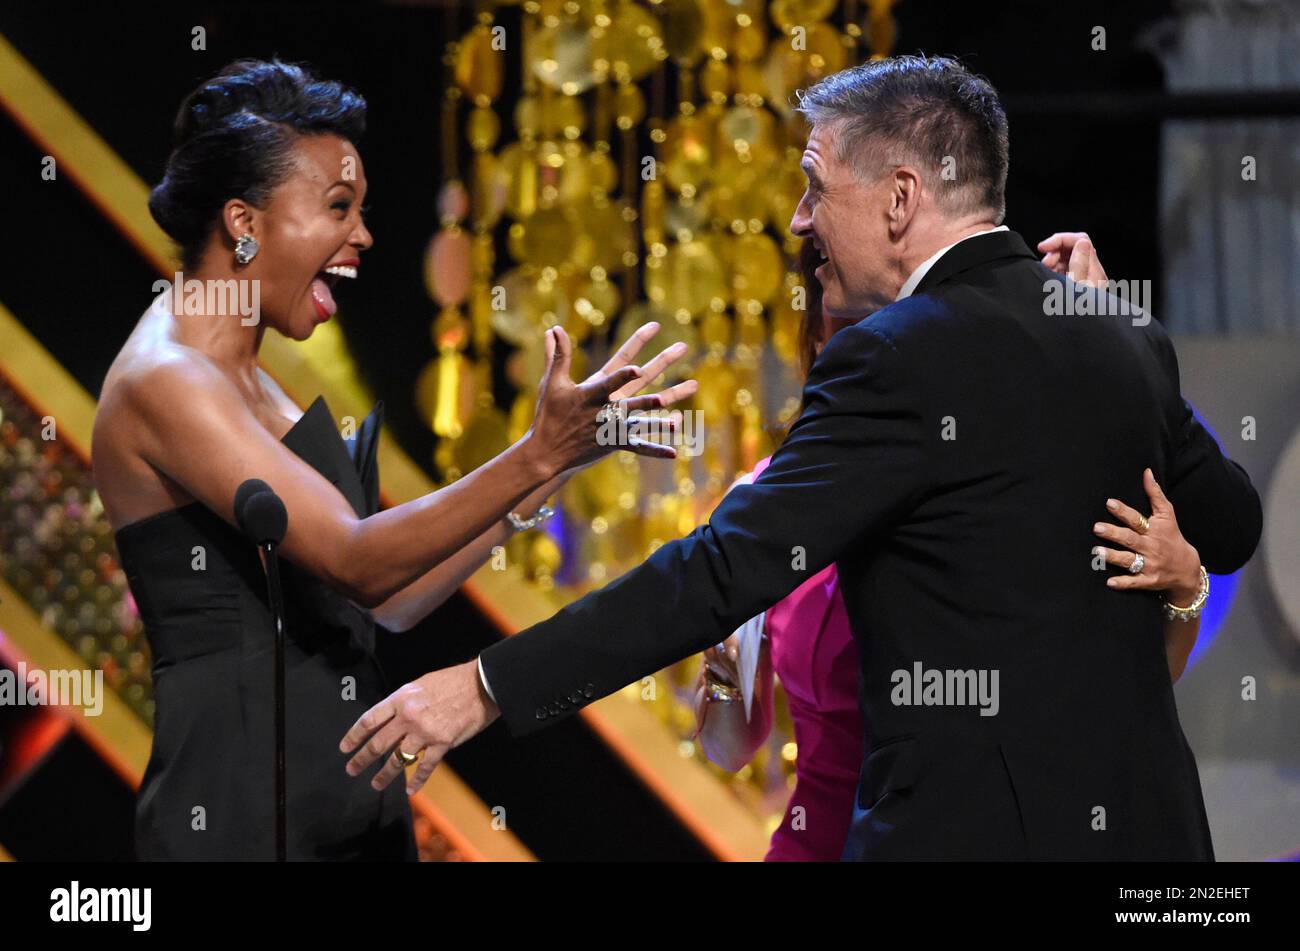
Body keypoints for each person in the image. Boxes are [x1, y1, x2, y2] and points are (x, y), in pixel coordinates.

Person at [342, 56, 1262, 861]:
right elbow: (1231, 524)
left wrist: (484, 685)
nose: (797, 218)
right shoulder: (1119, 329)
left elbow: (721, 569)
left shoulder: (898, 352)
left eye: (817, 185)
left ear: (901, 197)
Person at [92, 59, 695, 860]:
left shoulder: (252, 379)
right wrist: (533, 450)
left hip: (351, 809)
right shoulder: (167, 378)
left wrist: (558, 464)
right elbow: (358, 560)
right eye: (338, 207)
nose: (364, 234)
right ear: (243, 223)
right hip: (243, 817)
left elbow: (393, 599)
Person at [692, 235, 1212, 861]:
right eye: (838, 325)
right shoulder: (768, 498)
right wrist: (723, 667)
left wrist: (1187, 588)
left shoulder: (1007, 485)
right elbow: (730, 747)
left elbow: (1135, 682)